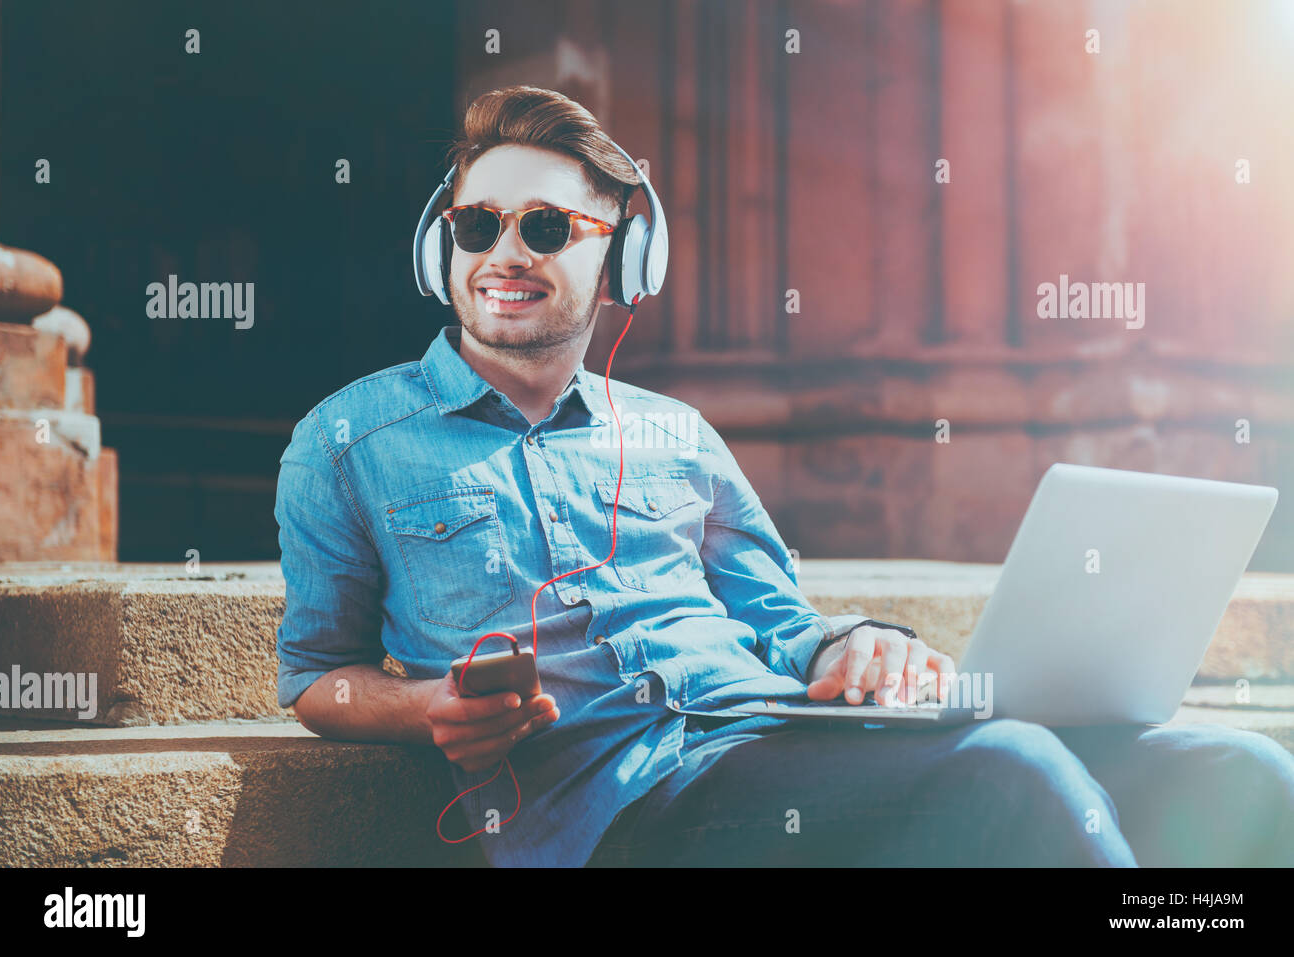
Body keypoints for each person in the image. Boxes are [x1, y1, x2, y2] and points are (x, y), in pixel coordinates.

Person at [274, 85, 1294, 867]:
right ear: (437, 245)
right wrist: (426, 710)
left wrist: (864, 645)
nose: (504, 251)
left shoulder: (677, 435)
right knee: (1012, 769)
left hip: (786, 739)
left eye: (546, 227)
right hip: (626, 806)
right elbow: (316, 676)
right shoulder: (348, 439)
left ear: (626, 258)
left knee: (1240, 771)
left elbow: (783, 621)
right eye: (475, 225)